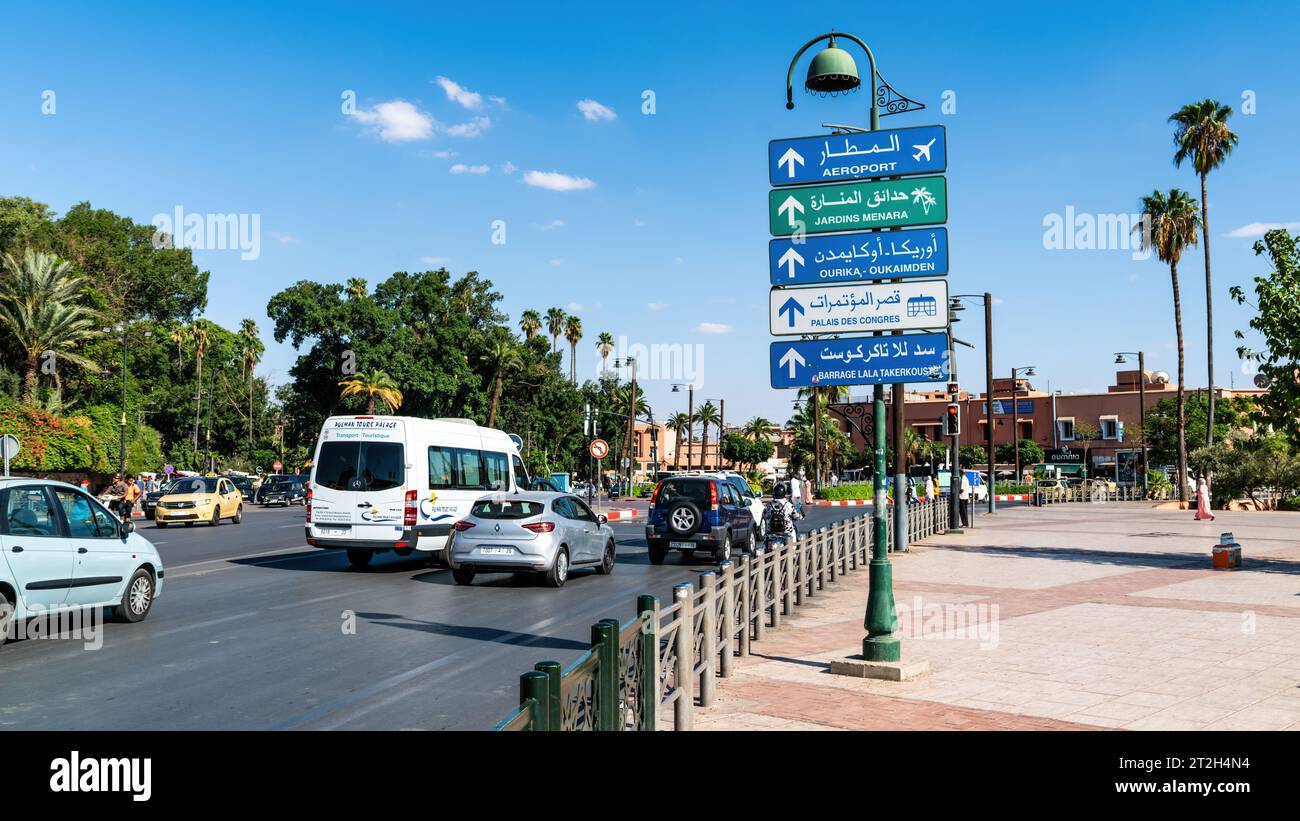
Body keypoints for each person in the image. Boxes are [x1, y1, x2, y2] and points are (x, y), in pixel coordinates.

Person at [763, 482, 804, 550]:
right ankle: (793, 552)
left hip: (771, 531)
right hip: (786, 531)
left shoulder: (769, 505)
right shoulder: (788, 505)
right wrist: (801, 516)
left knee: (765, 543)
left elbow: (766, 515)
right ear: (784, 493)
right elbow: (795, 516)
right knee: (793, 535)